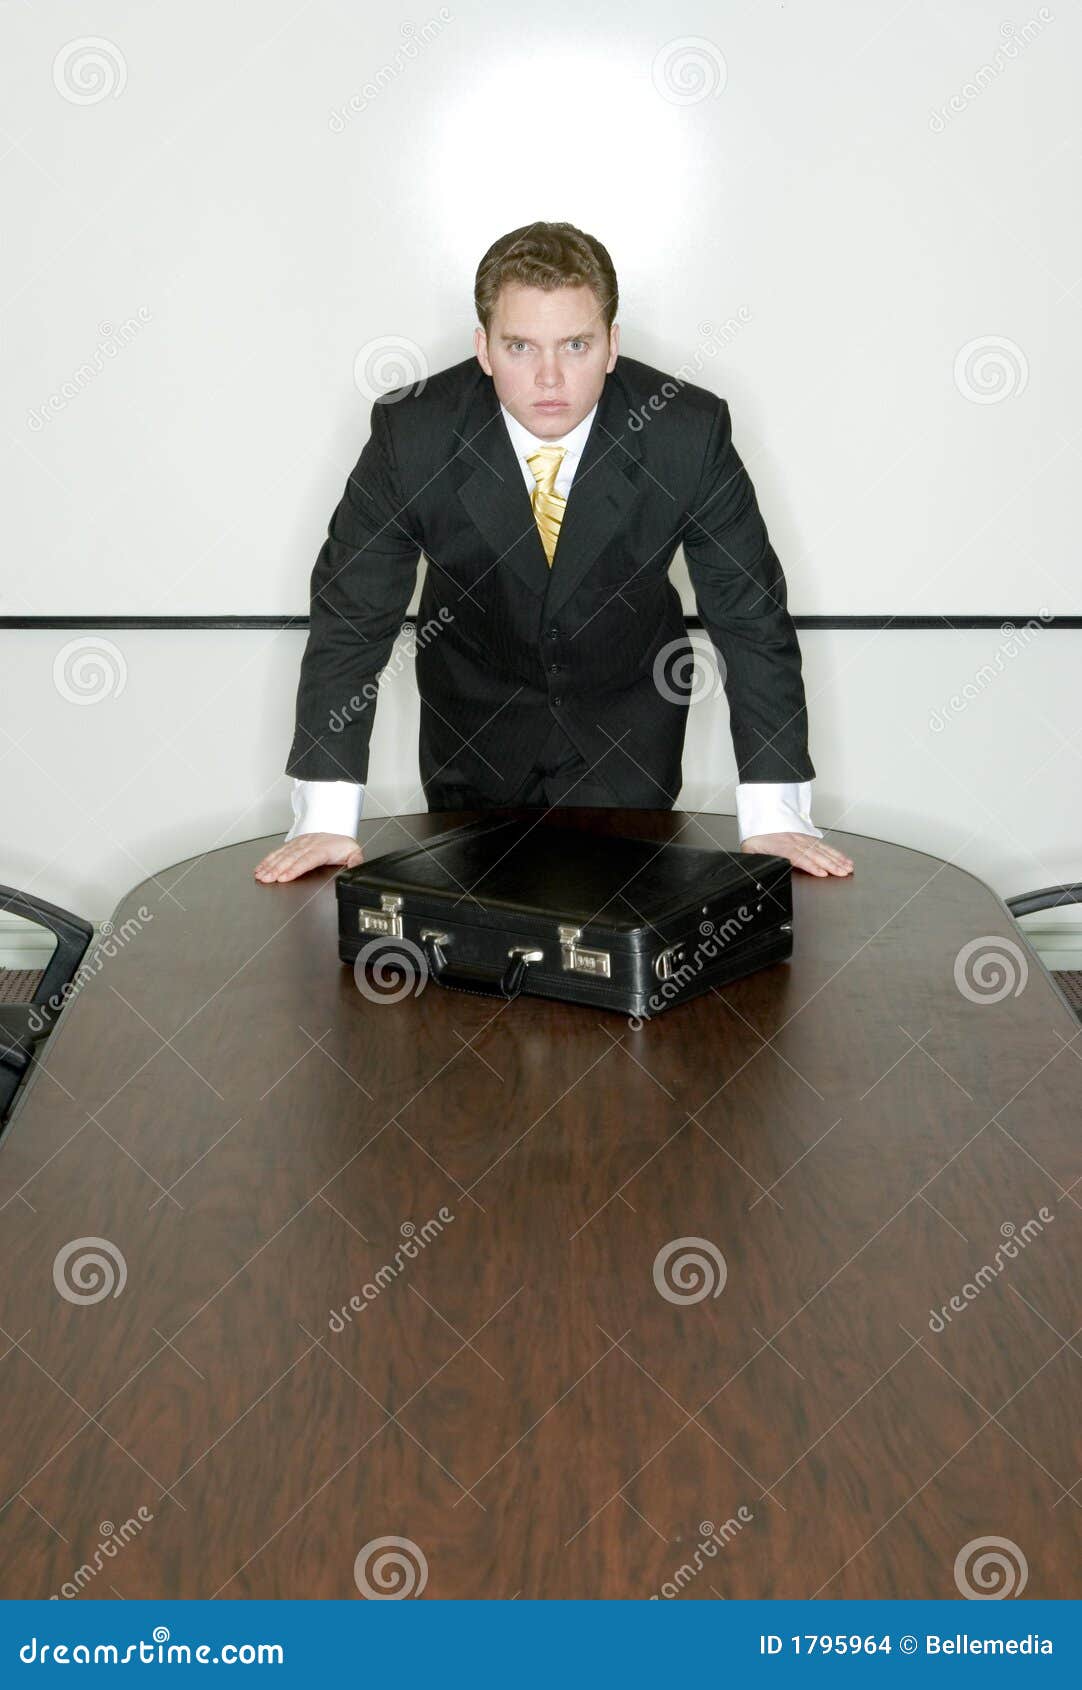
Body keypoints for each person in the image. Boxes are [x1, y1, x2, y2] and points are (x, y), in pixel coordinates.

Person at [256, 221, 853, 884]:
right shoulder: (412, 434)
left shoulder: (687, 432)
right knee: (477, 964)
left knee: (618, 946)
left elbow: (750, 618)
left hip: (629, 735)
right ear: (483, 348)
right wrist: (323, 822)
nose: (548, 376)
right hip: (474, 736)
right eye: (519, 346)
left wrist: (776, 815)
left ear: (611, 345)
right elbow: (351, 619)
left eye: (575, 344)